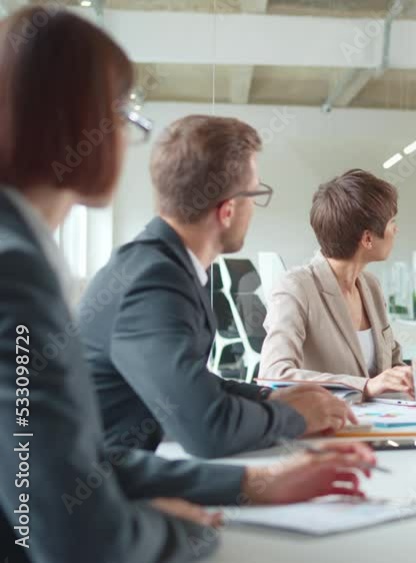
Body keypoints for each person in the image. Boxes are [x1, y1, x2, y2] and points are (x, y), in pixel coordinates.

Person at [0, 8, 375, 563]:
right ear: (80, 124)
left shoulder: (25, 254)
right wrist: (194, 531)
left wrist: (249, 484)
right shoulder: (20, 271)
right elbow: (74, 531)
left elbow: (70, 462)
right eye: (120, 113)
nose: (127, 133)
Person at [80, 114, 356, 459]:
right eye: (255, 194)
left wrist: (270, 397)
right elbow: (209, 428)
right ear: (227, 211)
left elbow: (196, 385)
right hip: (101, 484)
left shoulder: (164, 265)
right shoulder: (155, 281)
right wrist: (296, 416)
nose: (254, 207)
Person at [260, 170, 412, 398]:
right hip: (324, 419)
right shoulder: (296, 288)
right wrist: (363, 386)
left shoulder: (371, 286)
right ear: (368, 239)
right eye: (392, 223)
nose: (396, 229)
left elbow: (391, 366)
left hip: (382, 419)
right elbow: (273, 374)